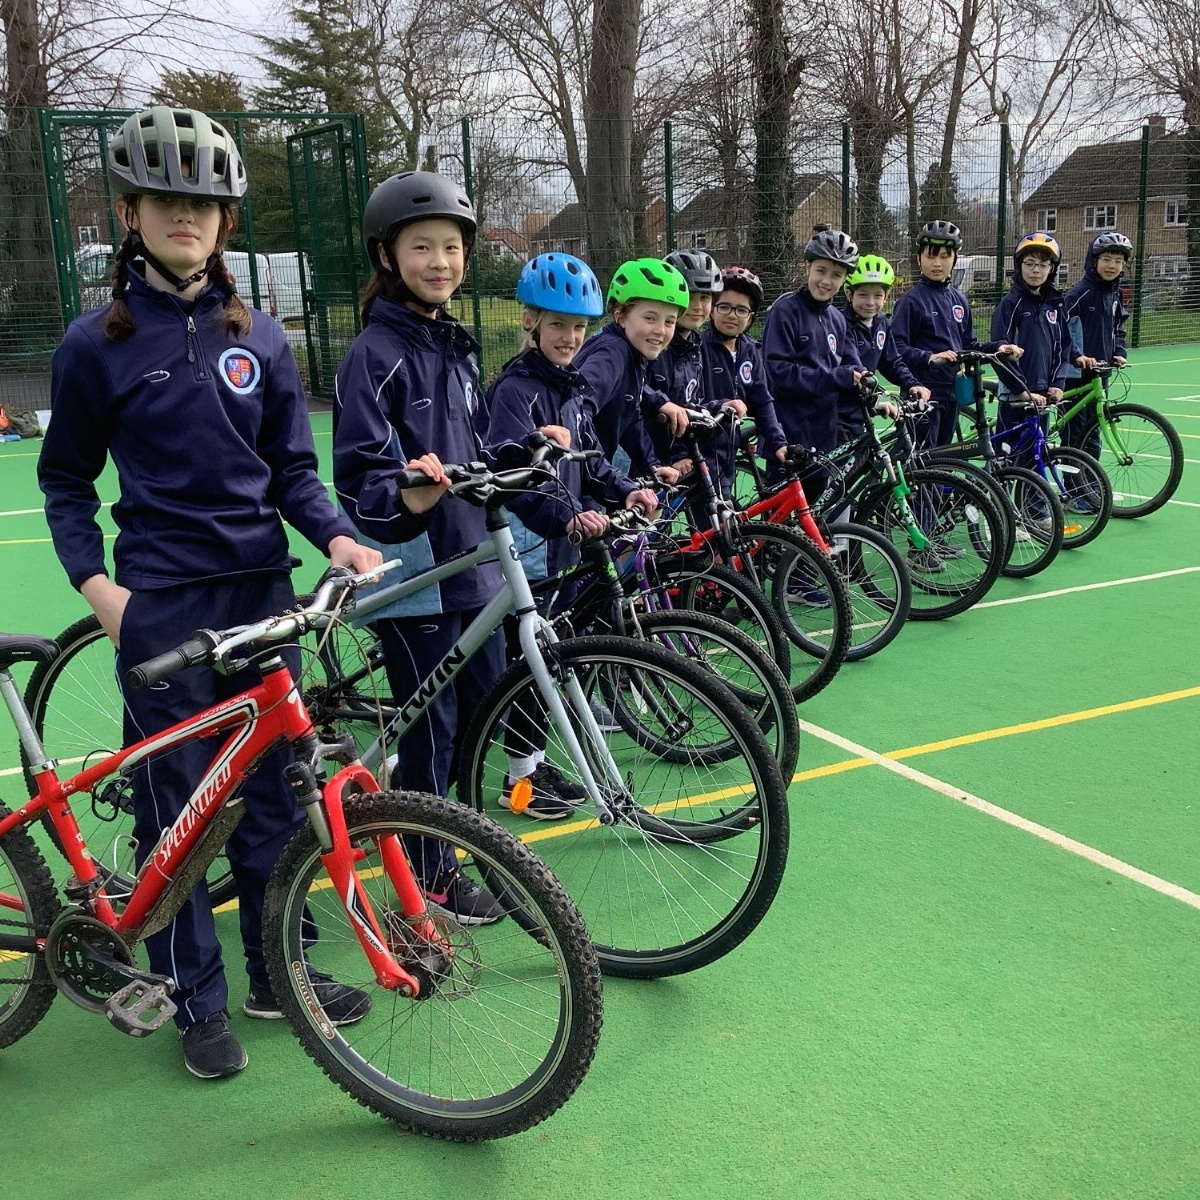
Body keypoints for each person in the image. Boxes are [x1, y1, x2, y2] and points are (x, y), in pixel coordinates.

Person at [37, 107, 379, 1081]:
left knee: (276, 793)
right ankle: (195, 1001)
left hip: (264, 600)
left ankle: (281, 972)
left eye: (205, 203)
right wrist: (103, 591)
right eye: (168, 200)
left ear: (226, 221)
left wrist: (340, 539)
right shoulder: (93, 344)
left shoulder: (260, 339)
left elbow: (293, 475)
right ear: (135, 211)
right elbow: (64, 481)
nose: (187, 217)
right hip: (163, 610)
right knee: (180, 814)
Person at [331, 170, 506, 925]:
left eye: (452, 247)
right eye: (422, 247)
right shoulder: (375, 352)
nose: (440, 261)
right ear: (387, 254)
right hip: (415, 572)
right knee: (429, 730)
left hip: (473, 564)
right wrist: (408, 490)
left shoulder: (454, 346)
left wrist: (528, 446)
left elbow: (473, 445)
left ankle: (462, 843)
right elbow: (359, 476)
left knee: (476, 717)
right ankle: (430, 876)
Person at [485, 253, 659, 818]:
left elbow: (590, 461)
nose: (569, 337)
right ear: (530, 321)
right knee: (530, 667)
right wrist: (565, 518)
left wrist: (623, 490)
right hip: (525, 546)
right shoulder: (516, 391)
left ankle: (529, 765)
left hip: (562, 543)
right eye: (557, 324)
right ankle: (520, 780)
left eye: (578, 327)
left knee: (545, 664)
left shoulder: (572, 388)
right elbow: (517, 485)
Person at [889, 220, 1022, 447]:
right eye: (930, 256)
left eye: (944, 256)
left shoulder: (959, 300)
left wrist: (998, 347)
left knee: (944, 462)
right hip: (923, 395)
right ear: (918, 258)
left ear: (955, 259)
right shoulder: (910, 301)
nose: (937, 263)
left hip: (952, 394)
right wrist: (929, 357)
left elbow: (968, 344)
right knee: (922, 467)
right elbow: (895, 349)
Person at [761, 227, 866, 488]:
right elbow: (778, 372)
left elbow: (850, 362)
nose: (826, 281)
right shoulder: (785, 311)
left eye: (836, 275)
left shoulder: (838, 319)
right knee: (783, 523)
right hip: (789, 436)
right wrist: (834, 378)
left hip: (824, 436)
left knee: (816, 519)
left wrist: (863, 380)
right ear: (807, 266)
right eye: (821, 271)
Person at [572, 256, 691, 484]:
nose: (660, 330)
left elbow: (630, 415)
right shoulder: (613, 353)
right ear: (620, 316)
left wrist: (652, 466)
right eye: (650, 318)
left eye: (669, 322)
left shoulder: (632, 355)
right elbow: (576, 410)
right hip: (569, 484)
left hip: (584, 480)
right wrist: (606, 477)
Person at [990, 232, 1080, 468]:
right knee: (1006, 457)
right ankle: (1000, 501)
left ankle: (1033, 504)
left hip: (1043, 395)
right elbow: (1000, 353)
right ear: (1019, 266)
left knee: (1037, 452)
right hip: (1016, 396)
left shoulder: (1056, 304)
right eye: (1029, 264)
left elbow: (1063, 347)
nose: (1035, 270)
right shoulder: (1010, 304)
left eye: (1042, 265)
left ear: (1052, 269)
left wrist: (1057, 384)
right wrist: (1021, 390)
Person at [700, 264, 788, 479]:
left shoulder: (750, 351)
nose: (732, 315)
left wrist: (778, 442)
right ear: (712, 309)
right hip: (700, 453)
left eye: (741, 310)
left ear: (751, 317)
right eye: (724, 307)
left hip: (728, 449)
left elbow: (761, 399)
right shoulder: (698, 349)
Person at [838, 255, 930, 442]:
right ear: (849, 295)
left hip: (860, 409)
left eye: (878, 295)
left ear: (886, 296)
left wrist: (912, 384)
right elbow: (851, 366)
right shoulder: (840, 324)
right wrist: (875, 399)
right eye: (863, 294)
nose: (870, 302)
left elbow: (891, 362)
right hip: (837, 413)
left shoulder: (881, 323)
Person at [1064, 231, 1132, 458]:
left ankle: (1091, 486)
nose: (1112, 266)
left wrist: (1118, 351)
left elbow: (1118, 326)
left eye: (1118, 261)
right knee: (1074, 433)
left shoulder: (1115, 294)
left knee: (1094, 430)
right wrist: (1075, 355)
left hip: (1100, 372)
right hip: (1075, 373)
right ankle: (1073, 487)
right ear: (1094, 261)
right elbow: (1059, 331)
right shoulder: (1079, 294)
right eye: (1106, 260)